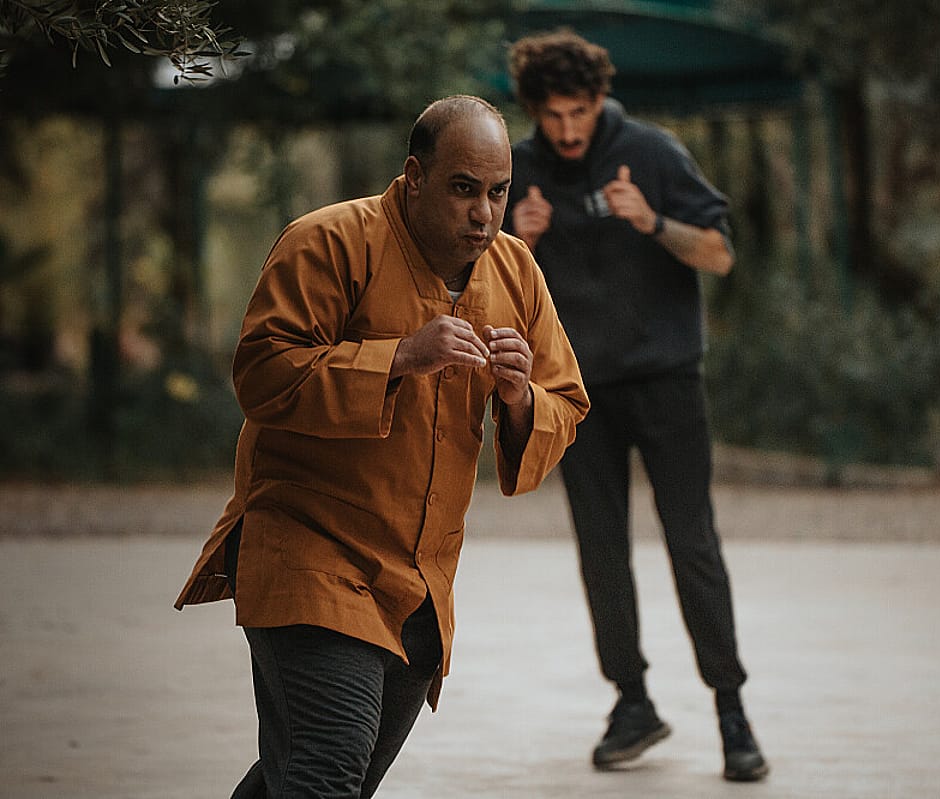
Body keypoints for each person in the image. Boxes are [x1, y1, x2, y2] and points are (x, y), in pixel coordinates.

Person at [173, 95, 589, 798]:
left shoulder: (515, 272)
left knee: (323, 774)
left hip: (417, 582)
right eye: (464, 189)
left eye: (497, 192)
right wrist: (396, 357)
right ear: (415, 176)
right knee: (330, 764)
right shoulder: (330, 241)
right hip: (307, 548)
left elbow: (566, 401)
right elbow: (262, 373)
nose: (483, 213)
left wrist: (520, 397)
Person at [503, 29, 768, 782]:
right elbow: (468, 274)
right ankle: (633, 700)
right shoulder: (518, 170)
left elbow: (719, 251)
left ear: (599, 101)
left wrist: (653, 221)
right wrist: (510, 241)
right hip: (575, 391)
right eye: (552, 115)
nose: (567, 129)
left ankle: (732, 709)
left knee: (693, 544)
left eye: (579, 111)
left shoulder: (653, 152)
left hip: (666, 379)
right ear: (534, 111)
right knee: (601, 549)